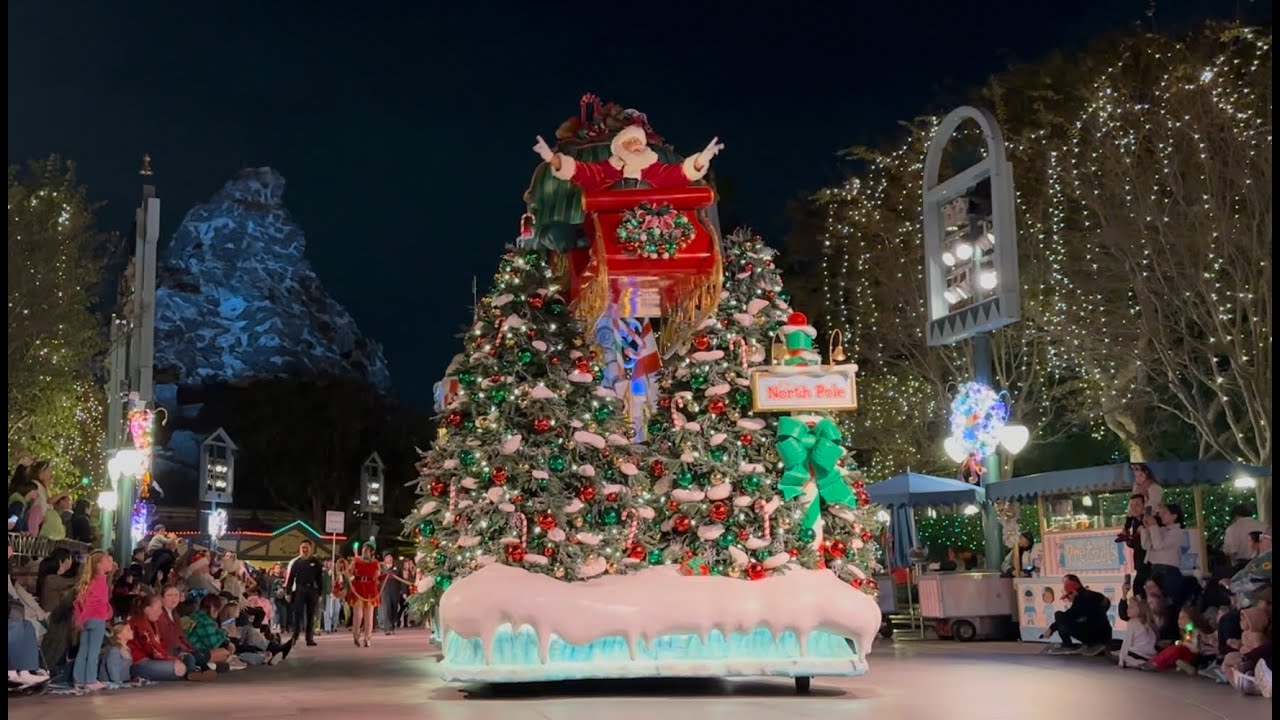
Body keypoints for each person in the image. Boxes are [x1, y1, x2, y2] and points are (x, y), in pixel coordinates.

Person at [534, 125, 725, 191]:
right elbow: (582, 172)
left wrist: (701, 159)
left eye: (638, 140)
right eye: (631, 141)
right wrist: (554, 159)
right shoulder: (608, 169)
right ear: (621, 147)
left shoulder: (655, 169)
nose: (636, 144)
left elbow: (680, 173)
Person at [127, 593, 216, 682]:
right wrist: (172, 658)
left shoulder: (154, 623)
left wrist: (176, 656)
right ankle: (190, 672)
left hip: (157, 658)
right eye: (158, 608)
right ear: (147, 609)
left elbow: (162, 645)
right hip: (141, 662)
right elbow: (153, 650)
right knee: (178, 668)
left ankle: (191, 672)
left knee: (188, 658)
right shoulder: (140, 624)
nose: (160, 612)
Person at [71, 550, 115, 691]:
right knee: (93, 651)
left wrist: (80, 618)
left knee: (83, 650)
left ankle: (78, 679)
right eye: (108, 560)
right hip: (96, 619)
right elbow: (95, 602)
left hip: (87, 620)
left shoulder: (88, 581)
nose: (111, 563)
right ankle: (90, 679)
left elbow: (78, 603)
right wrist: (107, 610)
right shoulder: (101, 581)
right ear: (99, 565)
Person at [1040, 574, 1112, 655]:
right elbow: (1107, 603)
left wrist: (1051, 629)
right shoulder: (1094, 595)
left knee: (1059, 615)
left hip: (1094, 637)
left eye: (1068, 596)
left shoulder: (1080, 600)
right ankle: (1094, 643)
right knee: (1068, 620)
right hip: (1105, 636)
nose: (1069, 599)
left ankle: (1068, 645)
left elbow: (1067, 617)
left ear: (1074, 592)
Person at [1141, 503, 1189, 605]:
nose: (1161, 515)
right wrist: (1147, 528)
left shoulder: (1178, 532)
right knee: (1156, 602)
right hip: (1155, 569)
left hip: (1168, 571)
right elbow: (1146, 545)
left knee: (1169, 603)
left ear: (1174, 516)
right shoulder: (1160, 530)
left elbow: (1158, 545)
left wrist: (1153, 526)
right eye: (1160, 513)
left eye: (1164, 513)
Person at [285, 540, 324, 646]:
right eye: (303, 548)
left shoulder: (316, 562)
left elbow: (320, 578)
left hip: (312, 590)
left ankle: (309, 638)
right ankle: (295, 635)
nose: (305, 550)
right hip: (299, 590)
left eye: (307, 547)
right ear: (300, 549)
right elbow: (291, 578)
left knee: (311, 615)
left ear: (311, 549)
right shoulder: (296, 562)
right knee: (297, 613)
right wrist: (288, 592)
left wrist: (320, 592)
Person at [1117, 589, 1159, 669]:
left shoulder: (1132, 623)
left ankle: (1139, 663)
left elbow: (1127, 642)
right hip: (1150, 655)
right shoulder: (1149, 623)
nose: (1127, 609)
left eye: (1131, 607)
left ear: (1140, 609)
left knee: (1125, 657)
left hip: (1137, 653)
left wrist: (1121, 661)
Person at [349, 545, 381, 648]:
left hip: (370, 589)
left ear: (371, 552)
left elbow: (378, 575)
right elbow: (350, 572)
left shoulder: (375, 563)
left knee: (369, 617)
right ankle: (356, 635)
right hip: (358, 588)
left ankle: (367, 638)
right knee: (358, 616)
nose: (364, 551)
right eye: (363, 549)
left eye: (367, 550)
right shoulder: (356, 560)